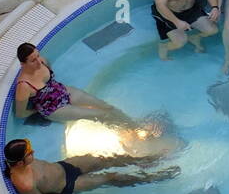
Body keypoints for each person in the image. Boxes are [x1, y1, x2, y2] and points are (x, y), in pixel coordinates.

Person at [13, 43, 180, 157]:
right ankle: (126, 135)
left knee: (107, 107)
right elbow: (20, 114)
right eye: (32, 60)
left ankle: (135, 128)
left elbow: (50, 76)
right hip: (54, 109)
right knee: (98, 114)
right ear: (23, 64)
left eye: (37, 55)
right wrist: (39, 109)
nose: (37, 61)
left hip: (63, 92)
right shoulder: (24, 85)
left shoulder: (42, 61)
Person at [3, 138, 179, 194]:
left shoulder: (20, 160)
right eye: (29, 154)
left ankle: (146, 160)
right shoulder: (25, 183)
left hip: (64, 167)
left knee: (104, 159)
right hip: (68, 185)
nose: (33, 153)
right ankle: (154, 178)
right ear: (19, 162)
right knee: (111, 177)